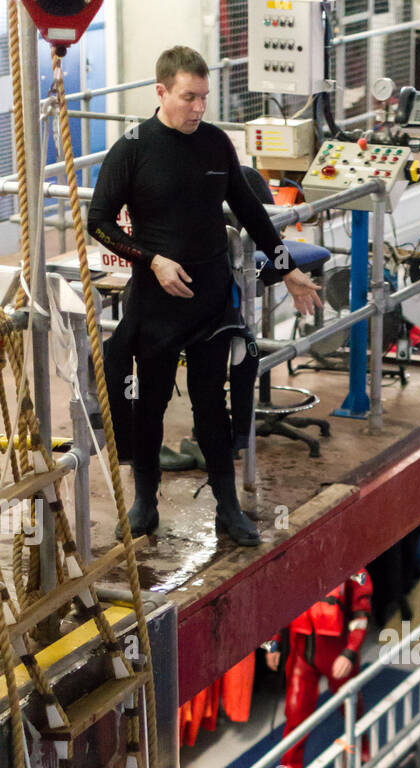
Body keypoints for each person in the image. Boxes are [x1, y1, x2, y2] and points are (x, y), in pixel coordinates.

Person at [88, 45, 322, 546]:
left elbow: (252, 213)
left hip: (212, 301)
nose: (198, 108)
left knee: (211, 407)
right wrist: (149, 259)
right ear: (161, 91)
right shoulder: (132, 147)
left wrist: (286, 272)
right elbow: (98, 223)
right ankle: (145, 501)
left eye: (204, 98)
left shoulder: (215, 143)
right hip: (156, 300)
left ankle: (228, 507)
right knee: (148, 405)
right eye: (189, 97)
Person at [263, 570, 374, 768]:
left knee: (351, 707)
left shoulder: (354, 569)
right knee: (294, 716)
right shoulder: (293, 565)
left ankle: (362, 752)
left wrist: (350, 651)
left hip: (336, 652)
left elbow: (361, 615)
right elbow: (276, 608)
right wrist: (272, 644)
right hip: (302, 653)